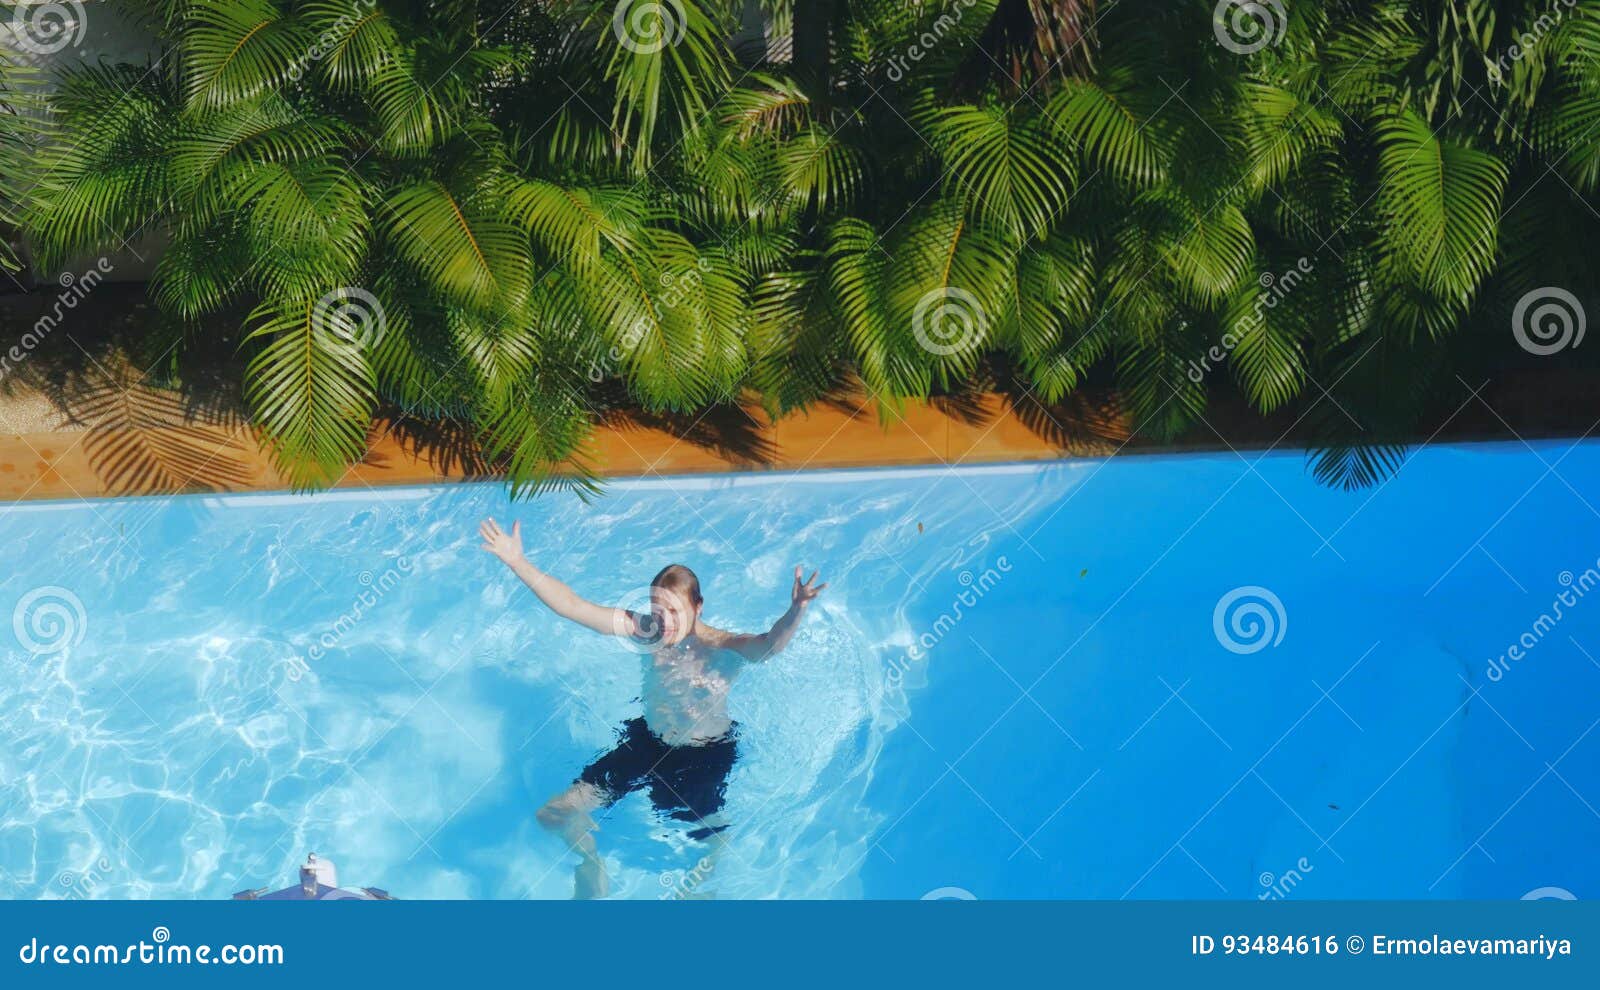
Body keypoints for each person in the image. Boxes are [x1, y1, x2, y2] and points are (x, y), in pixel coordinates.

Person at [478, 517, 826, 898]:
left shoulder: (723, 647)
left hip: (702, 757)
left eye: (675, 612)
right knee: (554, 813)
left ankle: (696, 893)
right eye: (658, 611)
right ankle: (593, 865)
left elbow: (768, 647)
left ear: (698, 606)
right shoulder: (646, 632)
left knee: (712, 843)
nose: (666, 623)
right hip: (647, 743)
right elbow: (574, 607)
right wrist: (517, 562)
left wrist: (797, 610)